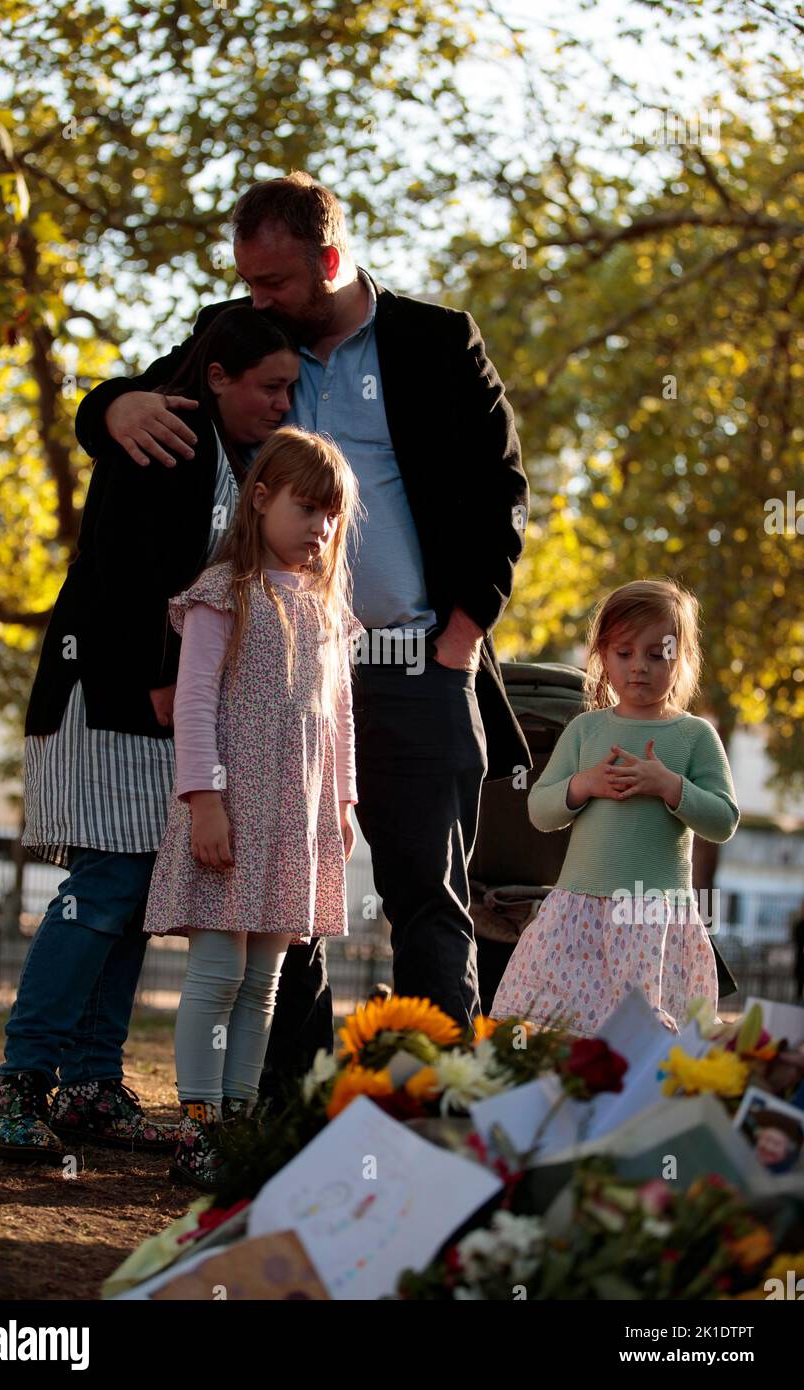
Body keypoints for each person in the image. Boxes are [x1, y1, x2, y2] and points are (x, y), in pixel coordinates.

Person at [74, 172, 532, 1073]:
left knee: (429, 900)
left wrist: (460, 640)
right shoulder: (240, 334)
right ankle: (278, 1117)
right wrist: (109, 405)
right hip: (271, 680)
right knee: (283, 906)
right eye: (247, 282)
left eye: (275, 282)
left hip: (415, 668)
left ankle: (438, 1109)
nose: (258, 300)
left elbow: (503, 491)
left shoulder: (437, 342)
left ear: (329, 259)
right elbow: (137, 411)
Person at [0, 308, 299, 1162]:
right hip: (107, 695)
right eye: (270, 385)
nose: (283, 403)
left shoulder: (237, 449)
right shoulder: (167, 433)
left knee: (131, 903)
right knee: (107, 887)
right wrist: (163, 675)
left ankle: (89, 1087)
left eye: (291, 387)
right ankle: (22, 1083)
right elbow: (123, 567)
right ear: (219, 377)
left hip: (165, 709)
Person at [141, 426, 364, 1188]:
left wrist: (341, 801)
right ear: (261, 499)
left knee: (265, 981)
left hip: (293, 825)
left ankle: (237, 1124)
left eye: (332, 517)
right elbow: (195, 702)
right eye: (308, 509)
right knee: (216, 972)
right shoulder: (221, 593)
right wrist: (204, 799)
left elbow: (339, 715)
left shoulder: (328, 610)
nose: (321, 530)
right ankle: (197, 1127)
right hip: (231, 815)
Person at [491, 579, 740, 1035]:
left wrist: (671, 787)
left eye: (656, 653)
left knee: (644, 1037)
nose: (638, 667)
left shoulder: (694, 736)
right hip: (577, 912)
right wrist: (582, 785)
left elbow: (723, 820)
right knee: (552, 1030)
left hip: (651, 914)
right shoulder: (585, 731)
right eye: (623, 653)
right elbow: (541, 811)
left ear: (681, 658)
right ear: (603, 656)